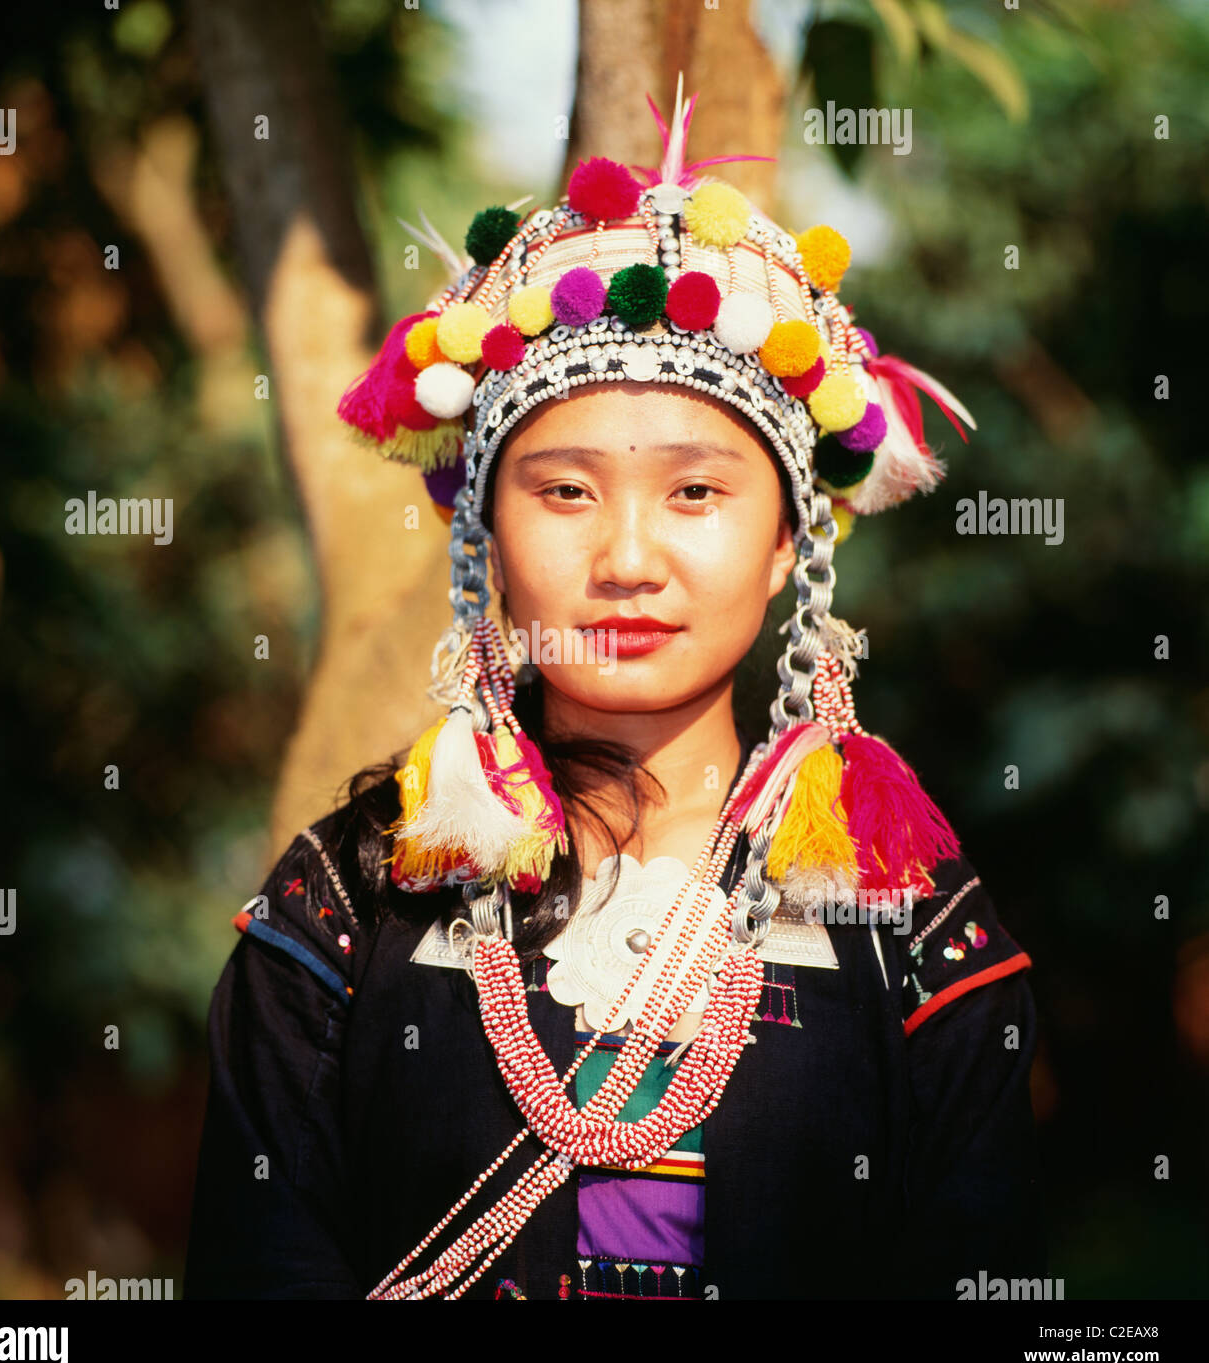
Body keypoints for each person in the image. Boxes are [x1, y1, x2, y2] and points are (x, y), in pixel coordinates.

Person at [184, 84, 1043, 1301]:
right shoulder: (347, 904)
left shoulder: (910, 921)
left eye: (695, 493)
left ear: (791, 539)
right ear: (480, 530)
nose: (627, 560)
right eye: (564, 491)